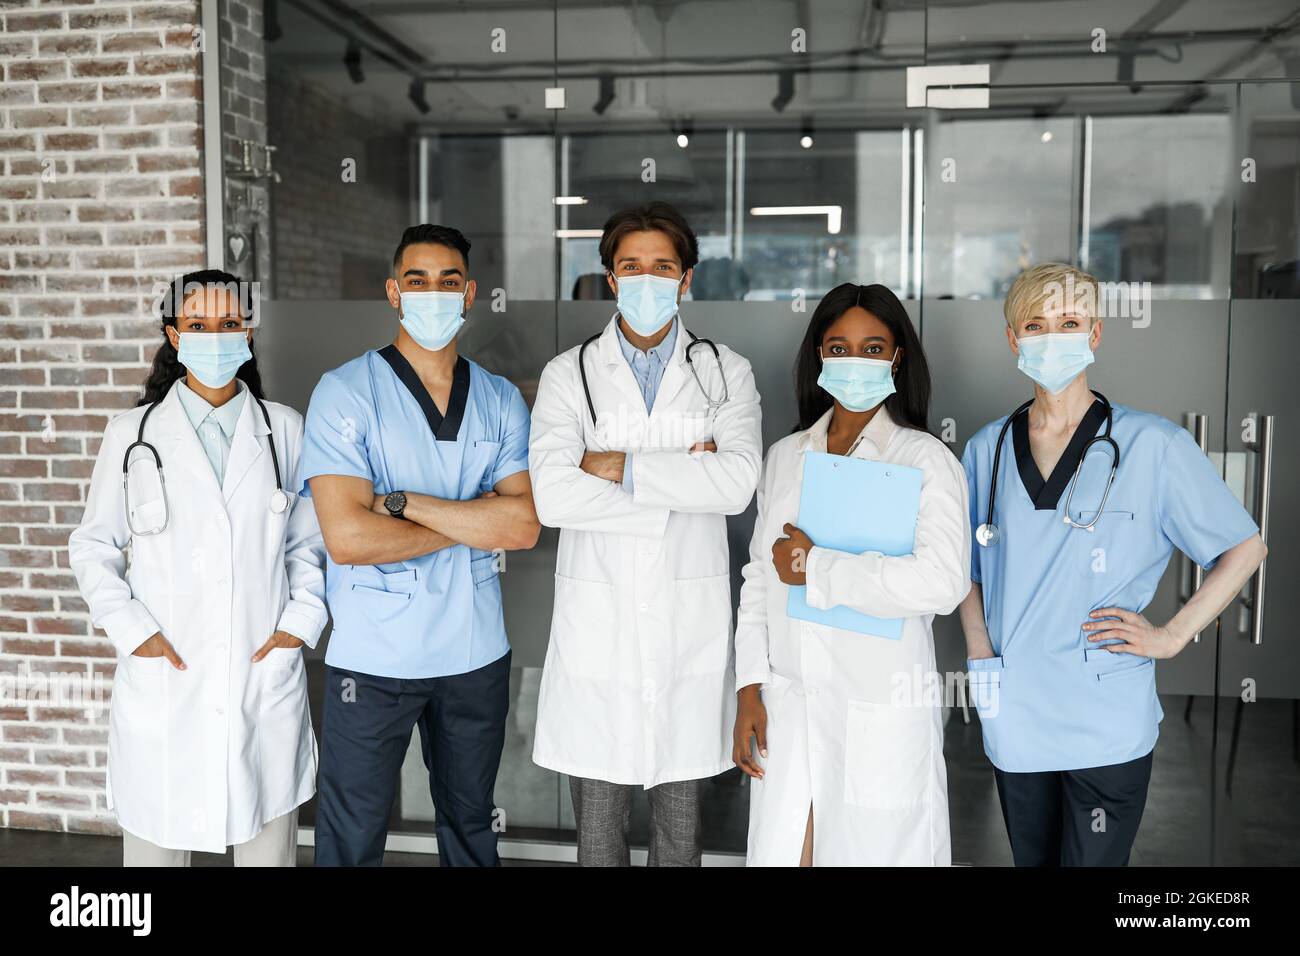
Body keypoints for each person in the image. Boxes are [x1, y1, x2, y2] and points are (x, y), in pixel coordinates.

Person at [958, 262, 1267, 866]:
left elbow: (1245, 546)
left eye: (1069, 322)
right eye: (1035, 324)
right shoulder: (986, 449)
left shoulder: (1154, 446)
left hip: (1104, 710)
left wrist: (1173, 635)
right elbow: (963, 561)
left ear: (1095, 334)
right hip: (1017, 706)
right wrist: (977, 646)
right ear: (1013, 338)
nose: (1052, 337)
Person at [529, 201, 763, 866]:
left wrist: (614, 467)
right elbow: (552, 495)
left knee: (680, 833)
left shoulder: (725, 370)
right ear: (610, 278)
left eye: (663, 266)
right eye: (631, 266)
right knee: (598, 834)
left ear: (687, 278)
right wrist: (683, 480)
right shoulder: (568, 374)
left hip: (686, 630)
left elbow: (737, 482)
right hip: (597, 630)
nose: (647, 279)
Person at [301, 224, 540, 867]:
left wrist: (403, 503)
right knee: (351, 833)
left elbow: (522, 528)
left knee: (470, 827)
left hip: (474, 652)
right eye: (417, 280)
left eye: (448, 282)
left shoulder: (498, 399)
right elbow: (349, 539)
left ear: (469, 295)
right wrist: (475, 518)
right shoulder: (345, 393)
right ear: (393, 292)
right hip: (374, 658)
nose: (433, 293)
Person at [69, 270, 327, 866]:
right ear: (174, 336)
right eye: (198, 325)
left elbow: (308, 546)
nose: (216, 337)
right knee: (155, 855)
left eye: (230, 324)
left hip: (260, 672)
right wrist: (135, 634)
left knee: (268, 847)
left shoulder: (282, 428)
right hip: (168, 675)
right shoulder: (130, 435)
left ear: (249, 333)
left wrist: (297, 626)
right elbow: (93, 546)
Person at [732, 283, 968, 866]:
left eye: (872, 347)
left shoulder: (922, 458)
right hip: (788, 702)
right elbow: (759, 579)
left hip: (875, 708)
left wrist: (818, 568)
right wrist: (747, 688)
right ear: (818, 355)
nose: (854, 361)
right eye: (838, 347)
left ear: (897, 357)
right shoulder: (786, 455)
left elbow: (942, 582)